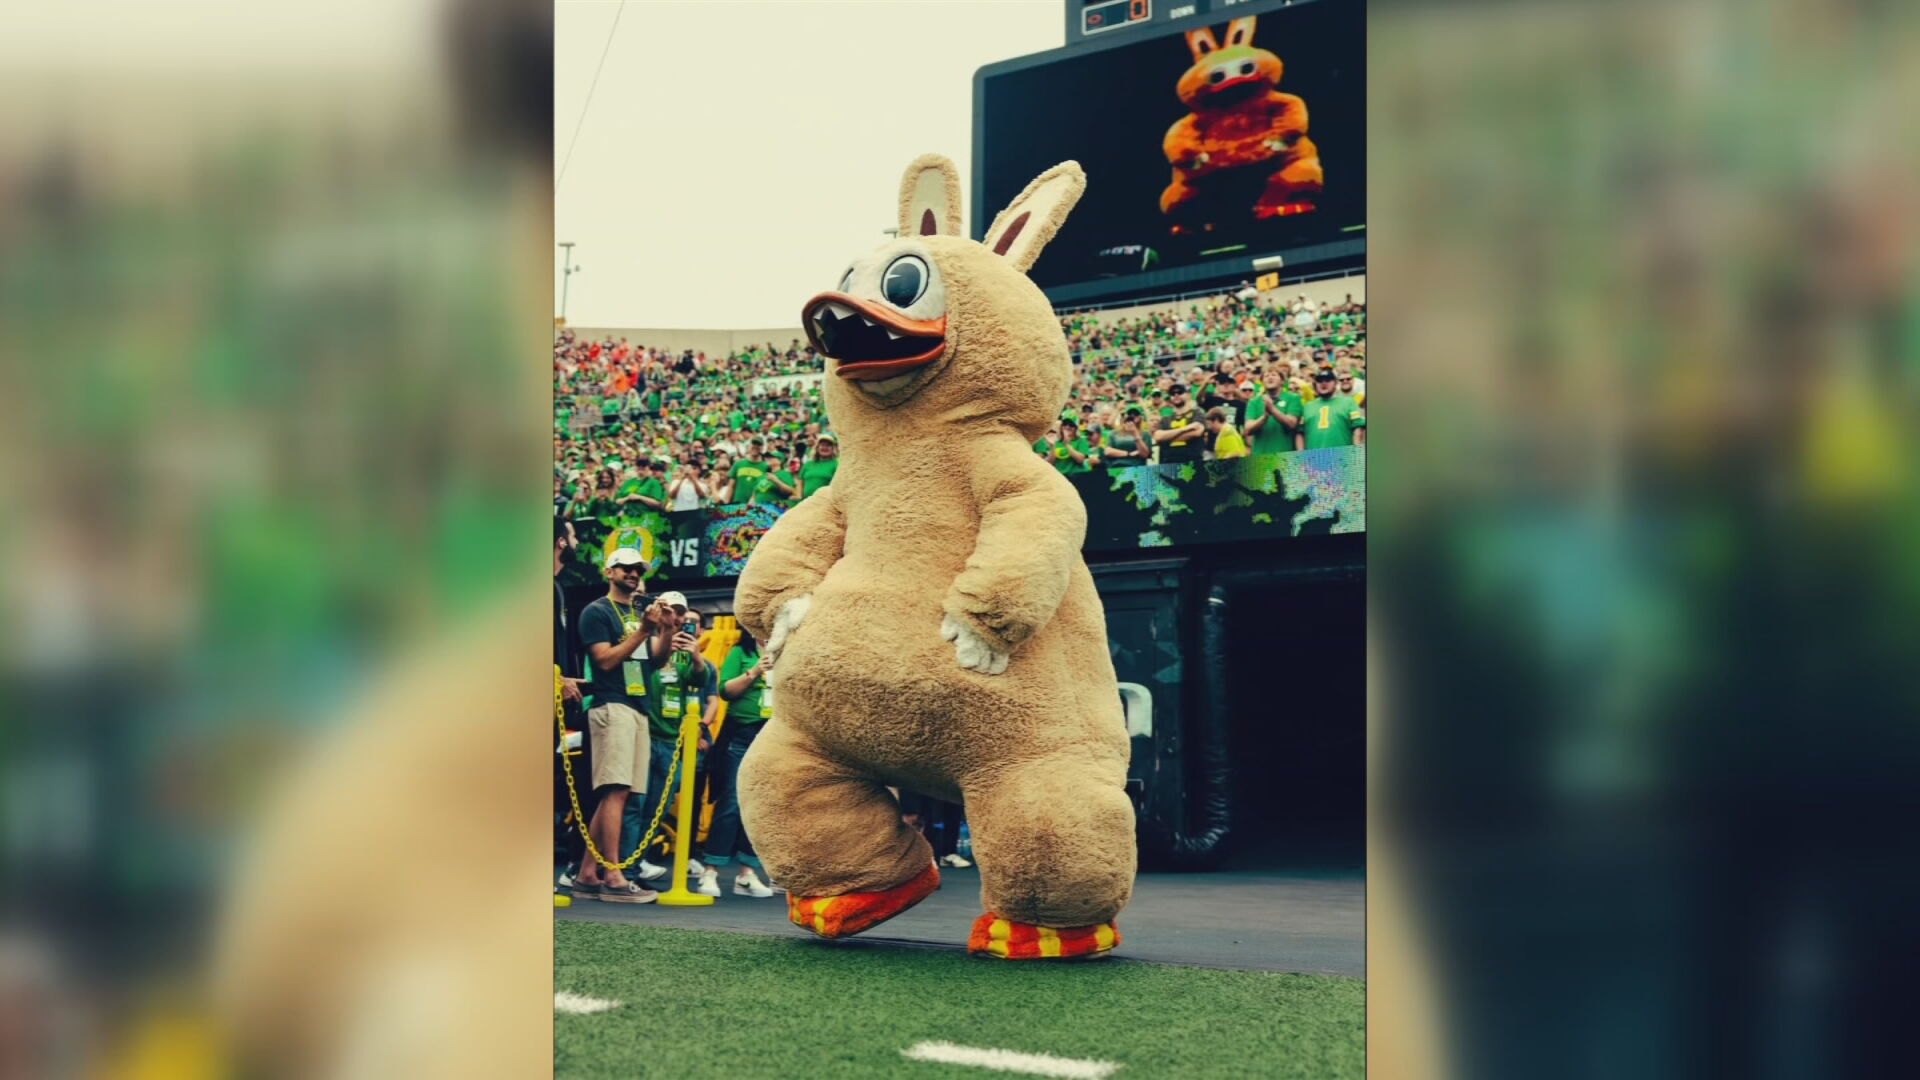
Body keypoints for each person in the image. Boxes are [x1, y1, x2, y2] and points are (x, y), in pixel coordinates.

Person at [572, 548, 664, 903]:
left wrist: (666, 630)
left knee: (620, 793)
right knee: (615, 791)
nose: (633, 573)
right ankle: (612, 875)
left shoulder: (638, 612)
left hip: (638, 708)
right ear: (609, 571)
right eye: (626, 567)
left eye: (638, 569)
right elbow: (605, 661)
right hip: (611, 704)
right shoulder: (596, 611)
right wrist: (643, 631)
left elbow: (656, 661)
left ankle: (586, 874)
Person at [630, 590, 714, 869]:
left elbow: (701, 681)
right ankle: (625, 865)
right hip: (645, 732)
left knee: (658, 807)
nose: (677, 619)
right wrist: (665, 645)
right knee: (635, 805)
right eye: (672, 611)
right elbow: (639, 674)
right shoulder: (648, 641)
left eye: (681, 614)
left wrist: (695, 655)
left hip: (672, 741)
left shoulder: (688, 654)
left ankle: (636, 861)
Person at [698, 627, 778, 898]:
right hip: (741, 735)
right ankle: (711, 870)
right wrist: (755, 671)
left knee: (761, 807)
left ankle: (747, 873)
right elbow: (725, 691)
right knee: (731, 802)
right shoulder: (740, 652)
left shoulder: (785, 652)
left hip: (772, 736)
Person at [1301, 367, 1366, 449]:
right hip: (1314, 457)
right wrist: (1301, 456)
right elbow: (1300, 432)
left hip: (1342, 455)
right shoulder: (1307, 406)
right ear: (1315, 385)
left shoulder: (1348, 402)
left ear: (1335, 384)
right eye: (1320, 381)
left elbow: (1358, 427)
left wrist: (1356, 451)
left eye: (1328, 380)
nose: (1323, 383)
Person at [1154, 384, 1207, 464]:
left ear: (1187, 395)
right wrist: (1184, 429)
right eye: (1172, 393)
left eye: (1180, 392)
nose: (1176, 395)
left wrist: (1168, 437)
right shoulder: (1165, 419)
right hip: (1169, 463)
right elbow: (1158, 436)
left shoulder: (1197, 413)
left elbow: (1197, 432)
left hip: (1192, 462)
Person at [796, 433, 839, 499]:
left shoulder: (836, 464)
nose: (825, 447)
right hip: (805, 503)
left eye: (828, 445)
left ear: (833, 448)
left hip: (824, 503)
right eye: (822, 445)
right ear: (817, 447)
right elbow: (800, 481)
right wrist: (799, 497)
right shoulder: (808, 464)